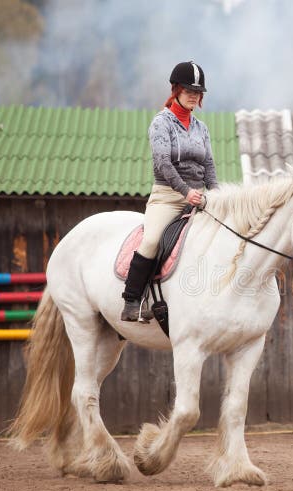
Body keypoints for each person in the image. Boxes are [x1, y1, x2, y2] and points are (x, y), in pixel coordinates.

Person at [121, 61, 218, 321]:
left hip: (199, 197)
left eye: (198, 92)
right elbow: (163, 163)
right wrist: (186, 192)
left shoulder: (202, 128)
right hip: (169, 197)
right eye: (189, 90)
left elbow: (208, 164)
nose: (194, 95)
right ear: (176, 89)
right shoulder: (161, 124)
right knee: (152, 239)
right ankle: (131, 300)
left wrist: (218, 196)